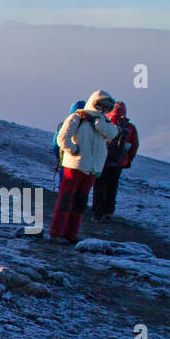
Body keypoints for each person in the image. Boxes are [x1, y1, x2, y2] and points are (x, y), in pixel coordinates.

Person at [50, 90, 117, 243]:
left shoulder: (103, 122)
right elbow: (62, 138)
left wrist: (96, 122)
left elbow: (113, 134)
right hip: (75, 166)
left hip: (91, 169)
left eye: (107, 107)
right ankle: (57, 233)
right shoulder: (77, 117)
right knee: (66, 200)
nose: (104, 109)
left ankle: (70, 234)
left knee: (80, 203)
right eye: (102, 105)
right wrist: (73, 150)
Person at [92, 101, 139, 221]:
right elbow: (134, 146)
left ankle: (98, 213)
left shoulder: (104, 123)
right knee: (112, 187)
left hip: (102, 161)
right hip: (118, 163)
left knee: (100, 186)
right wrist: (127, 161)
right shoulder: (130, 128)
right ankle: (108, 212)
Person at [54, 99, 87, 188]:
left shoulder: (65, 124)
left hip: (65, 163)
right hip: (82, 165)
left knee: (64, 188)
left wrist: (59, 158)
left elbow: (56, 144)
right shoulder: (88, 127)